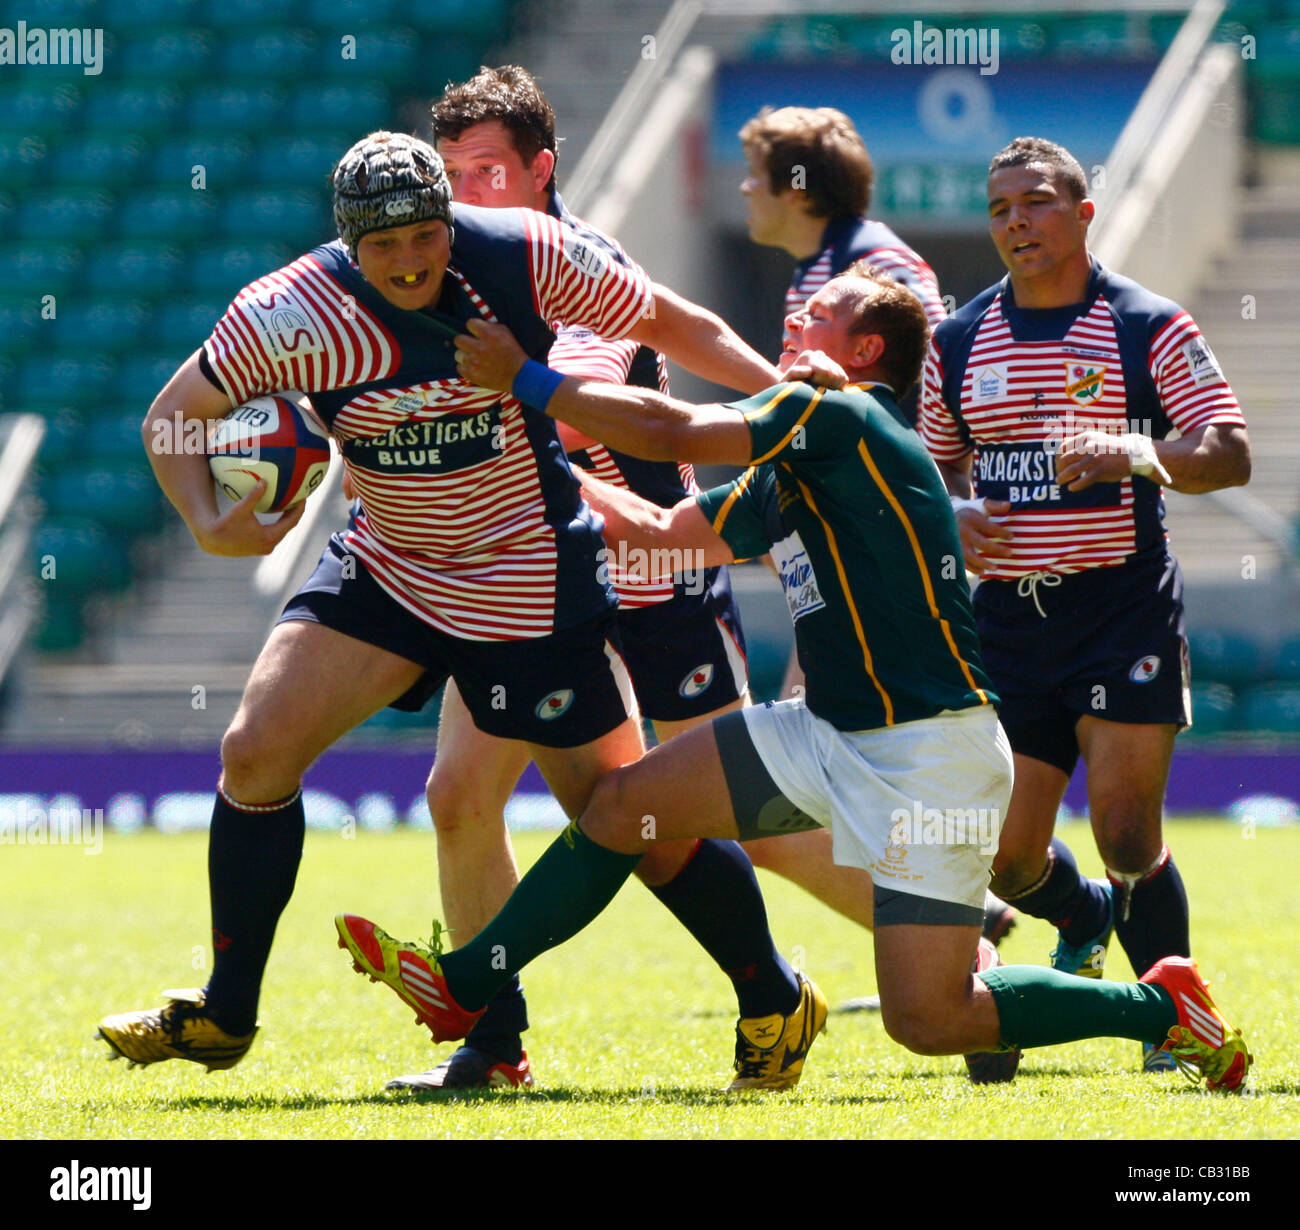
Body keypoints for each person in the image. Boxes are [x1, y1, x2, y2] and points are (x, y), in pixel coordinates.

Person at [336, 265, 1252, 1094]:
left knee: (927, 1019)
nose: (787, 324)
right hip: (824, 730)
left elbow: (669, 425)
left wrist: (526, 384)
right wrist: (530, 466)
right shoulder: (806, 449)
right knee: (618, 810)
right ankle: (465, 986)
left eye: (813, 314)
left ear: (864, 351)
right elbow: (661, 534)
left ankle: (1161, 1005)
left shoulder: (837, 418)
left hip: (930, 756)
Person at [97, 131, 824, 1093]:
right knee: (254, 751)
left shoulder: (525, 255)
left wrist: (778, 389)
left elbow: (669, 320)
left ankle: (775, 997)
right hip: (390, 566)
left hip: (525, 575)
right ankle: (235, 1013)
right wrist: (206, 522)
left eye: (423, 235)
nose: (408, 261)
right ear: (347, 247)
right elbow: (172, 416)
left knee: (619, 813)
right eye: (382, 246)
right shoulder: (288, 313)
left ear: (450, 219)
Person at [373, 66, 750, 1092]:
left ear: (542, 171)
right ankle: (494, 1044)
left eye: (486, 170)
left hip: (651, 568)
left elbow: (574, 413)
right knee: (458, 794)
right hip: (523, 582)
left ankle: (957, 929)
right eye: (449, 174)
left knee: (720, 812)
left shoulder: (569, 266)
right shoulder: (440, 286)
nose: (463, 193)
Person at [917, 137, 1252, 1073]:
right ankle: (1085, 918)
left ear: (1082, 212)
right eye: (1000, 210)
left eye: (1036, 203)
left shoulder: (1149, 325)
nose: (1016, 223)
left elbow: (1227, 450)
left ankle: (1171, 1024)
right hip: (1011, 623)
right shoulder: (958, 340)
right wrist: (953, 512)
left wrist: (1134, 452)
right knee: (1007, 861)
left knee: (1127, 832)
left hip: (1122, 609)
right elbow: (931, 472)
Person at [737, 104, 1016, 991]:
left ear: (795, 187)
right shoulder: (819, 270)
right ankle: (976, 929)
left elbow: (922, 390)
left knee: (799, 800)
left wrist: (939, 501)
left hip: (873, 553)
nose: (744, 188)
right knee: (812, 798)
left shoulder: (874, 266)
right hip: (831, 545)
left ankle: (984, 934)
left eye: (755, 172)